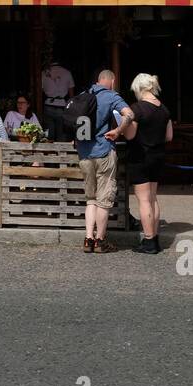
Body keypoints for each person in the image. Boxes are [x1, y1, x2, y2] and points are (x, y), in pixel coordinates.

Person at [77, 69, 133, 254]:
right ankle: (100, 241)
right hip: (104, 152)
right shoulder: (111, 96)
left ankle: (88, 239)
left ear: (97, 80)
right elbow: (129, 114)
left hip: (84, 155)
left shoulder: (83, 95)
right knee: (104, 199)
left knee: (91, 199)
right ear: (112, 80)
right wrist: (118, 131)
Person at [126, 73, 173, 255]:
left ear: (138, 88)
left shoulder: (137, 109)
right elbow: (169, 136)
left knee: (143, 200)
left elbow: (130, 135)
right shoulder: (164, 109)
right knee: (153, 198)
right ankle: (155, 238)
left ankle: (148, 240)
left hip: (140, 157)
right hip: (158, 156)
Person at [40, 61, 75, 138]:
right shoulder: (67, 72)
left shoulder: (44, 73)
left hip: (48, 104)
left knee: (49, 132)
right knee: (61, 132)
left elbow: (41, 90)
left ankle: (49, 148)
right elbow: (71, 92)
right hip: (61, 104)